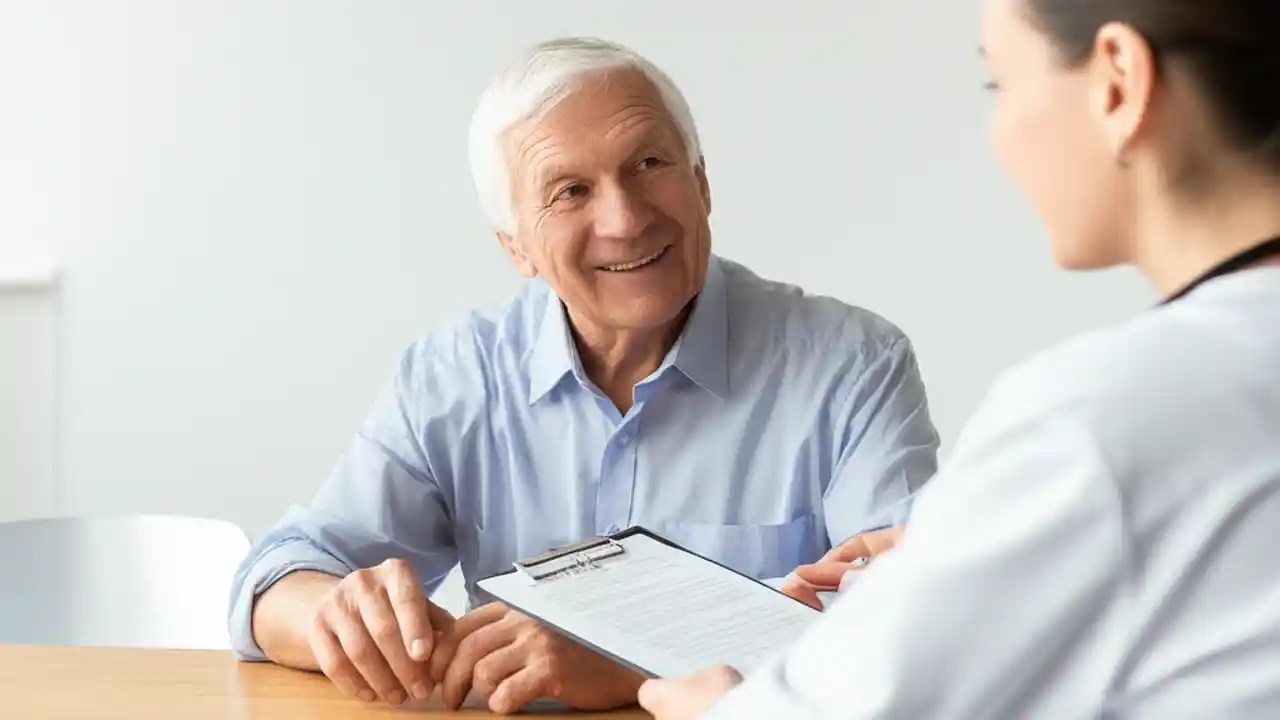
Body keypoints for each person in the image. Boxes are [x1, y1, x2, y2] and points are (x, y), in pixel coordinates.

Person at [227, 37, 940, 714]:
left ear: (702, 184)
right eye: (570, 191)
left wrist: (634, 661)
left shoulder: (853, 366)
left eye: (649, 164)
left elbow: (911, 621)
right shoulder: (453, 377)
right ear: (516, 247)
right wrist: (342, 616)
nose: (625, 219)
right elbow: (271, 582)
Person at [640, 0, 1280, 716]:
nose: (998, 135)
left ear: (1118, 82)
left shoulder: (1096, 420)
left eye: (998, 84)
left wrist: (724, 706)